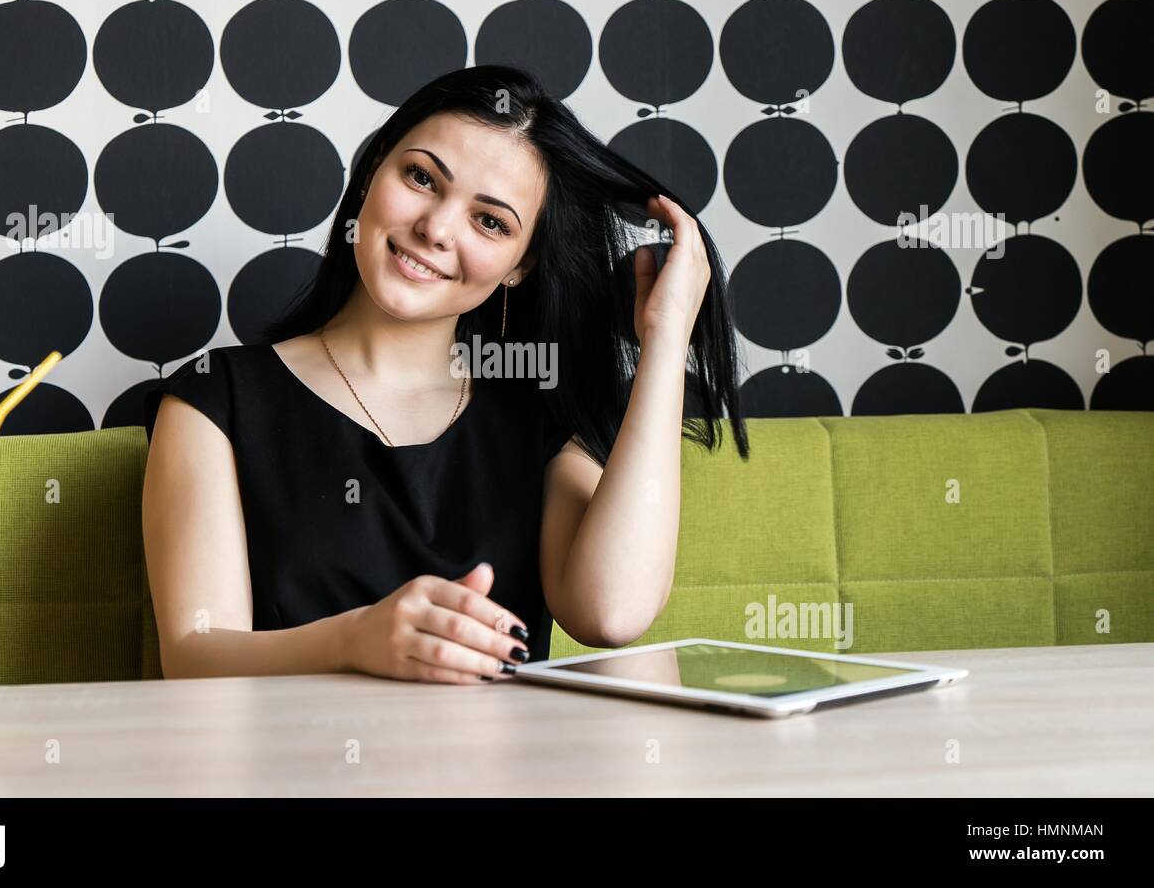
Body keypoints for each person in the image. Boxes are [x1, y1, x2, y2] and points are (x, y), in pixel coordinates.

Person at [141, 64, 750, 685]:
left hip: (498, 774)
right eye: (422, 178)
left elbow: (611, 615)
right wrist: (357, 638)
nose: (435, 229)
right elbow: (192, 657)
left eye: (491, 221)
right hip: (304, 766)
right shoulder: (219, 397)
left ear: (520, 264)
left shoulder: (536, 413)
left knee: (639, 668)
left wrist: (667, 337)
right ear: (375, 167)